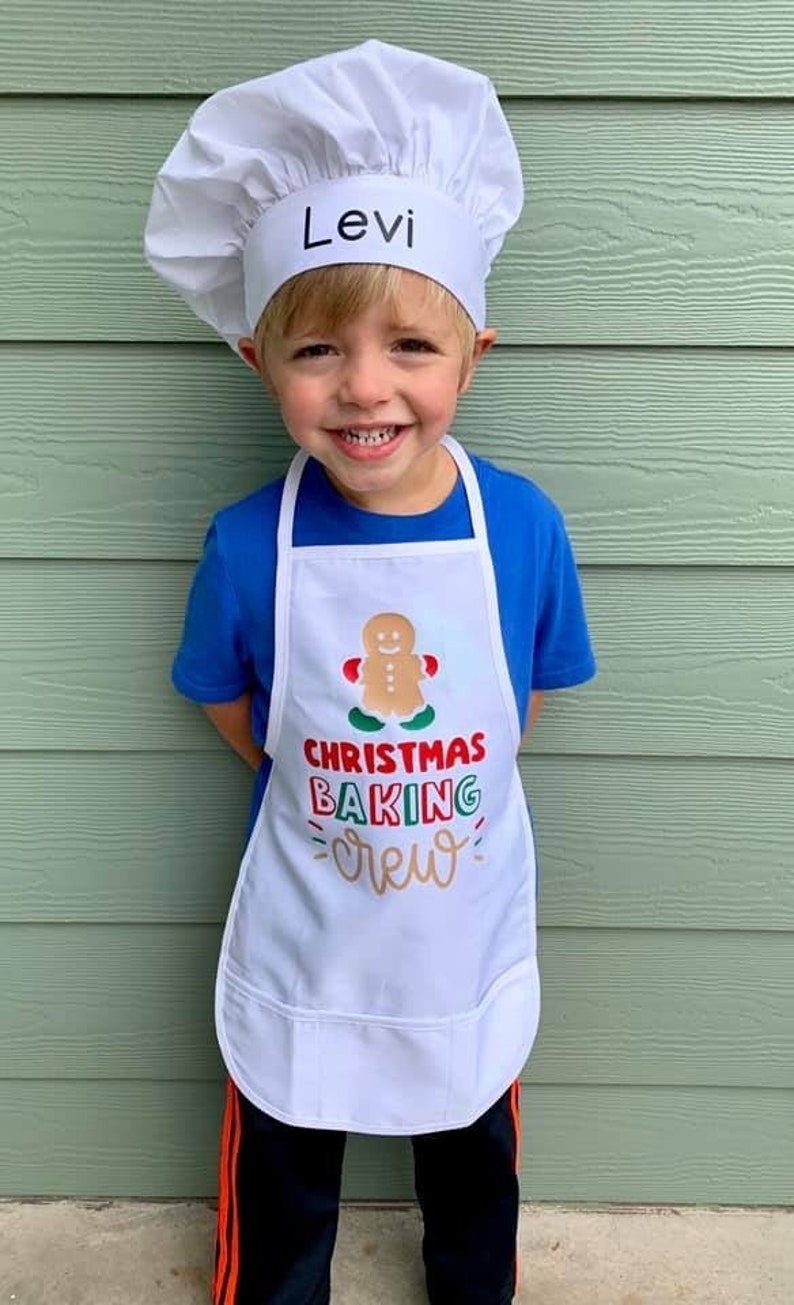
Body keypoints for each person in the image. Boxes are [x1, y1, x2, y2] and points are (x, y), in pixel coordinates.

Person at [145, 39, 595, 1305]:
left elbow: (526, 694)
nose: (365, 389)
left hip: (458, 911)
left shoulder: (523, 528)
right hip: (313, 914)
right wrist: (337, 775)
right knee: (285, 1141)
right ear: (257, 362)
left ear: (473, 355)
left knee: (472, 1141)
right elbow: (238, 706)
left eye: (409, 346)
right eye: (315, 353)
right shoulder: (247, 543)